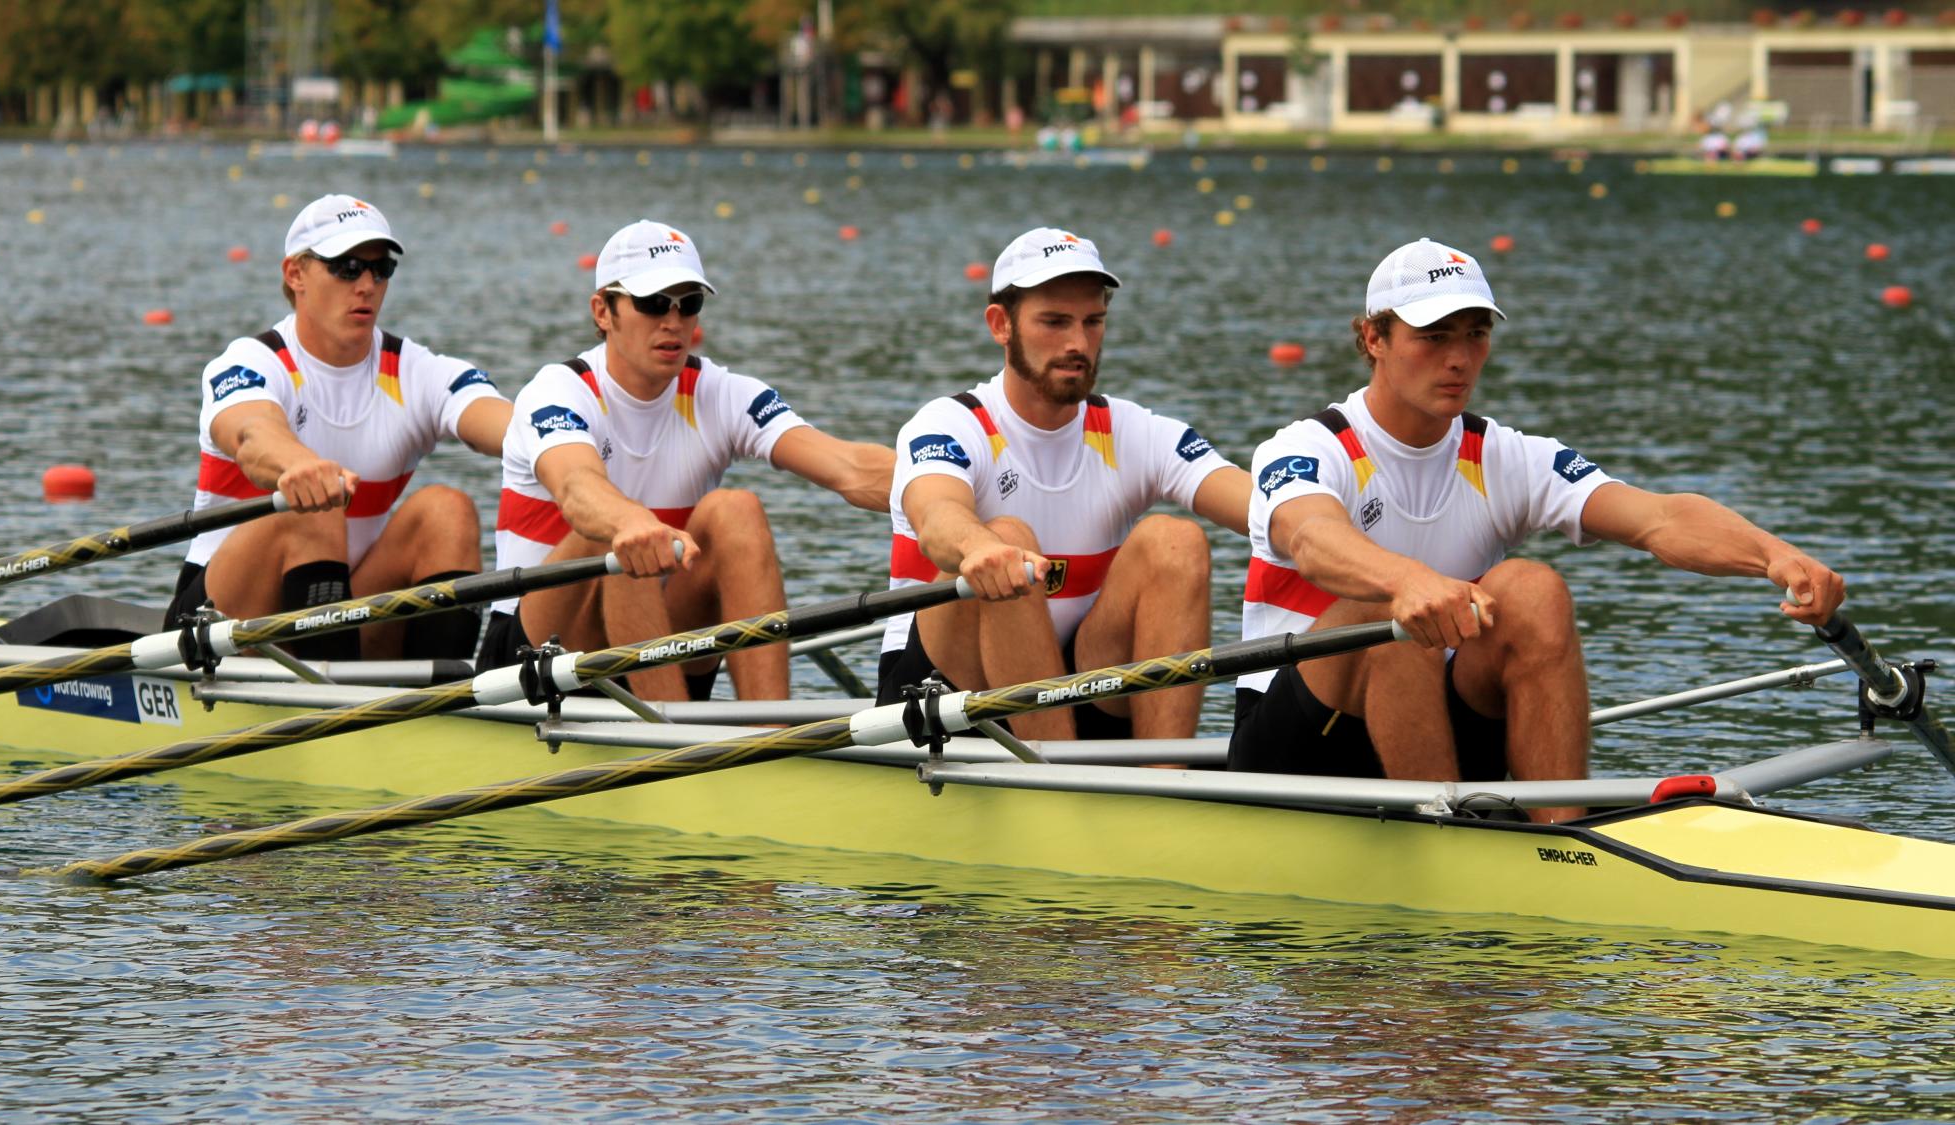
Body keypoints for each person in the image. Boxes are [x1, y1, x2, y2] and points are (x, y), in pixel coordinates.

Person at [1229, 237, 1845, 821]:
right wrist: (1410, 581)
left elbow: (1659, 518)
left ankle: (1557, 840)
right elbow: (1312, 541)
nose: (1459, 358)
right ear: (1374, 338)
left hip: (1434, 730)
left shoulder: (1504, 455)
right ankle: (1456, 840)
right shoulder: (1309, 447)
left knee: (1533, 588)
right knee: (1387, 608)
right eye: (1433, 336)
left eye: (1476, 335)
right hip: (1297, 746)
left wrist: (1772, 555)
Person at [482, 220, 894, 701]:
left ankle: (771, 733)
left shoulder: (720, 393)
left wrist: (954, 502)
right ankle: (682, 749)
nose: (673, 321)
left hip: (652, 639)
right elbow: (576, 486)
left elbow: (850, 467)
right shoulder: (558, 391)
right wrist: (633, 521)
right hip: (534, 655)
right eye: (653, 303)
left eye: (689, 304)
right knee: (617, 532)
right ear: (603, 312)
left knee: (735, 510)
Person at [878, 227, 1251, 741]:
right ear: (1000, 325)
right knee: (1007, 535)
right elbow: (937, 516)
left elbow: (1266, 509)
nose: (1078, 343)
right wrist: (978, 545)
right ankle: (1060, 785)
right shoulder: (949, 424)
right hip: (942, 693)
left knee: (1176, 540)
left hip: (1076, 682)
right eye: (1054, 322)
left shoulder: (1133, 430)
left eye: (1093, 322)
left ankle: (1168, 782)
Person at [165, 194, 512, 662]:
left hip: (335, 608)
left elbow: (512, 428)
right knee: (318, 505)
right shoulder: (253, 361)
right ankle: (338, 717)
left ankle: (441, 703)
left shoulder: (414, 371)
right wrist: (300, 467)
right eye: (347, 268)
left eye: (380, 269)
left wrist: (570, 455)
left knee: (447, 510)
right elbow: (251, 434)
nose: (366, 284)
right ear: (296, 274)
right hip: (218, 620)